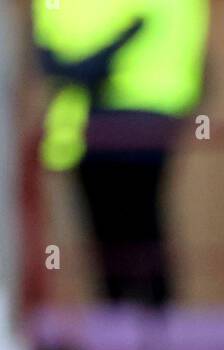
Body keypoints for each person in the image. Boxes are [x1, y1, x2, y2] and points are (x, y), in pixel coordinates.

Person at [32, 0, 209, 305]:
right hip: (83, 123)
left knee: (138, 221)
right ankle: (123, 318)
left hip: (142, 114)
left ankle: (152, 317)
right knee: (108, 230)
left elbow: (151, 26)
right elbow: (47, 37)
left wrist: (82, 65)